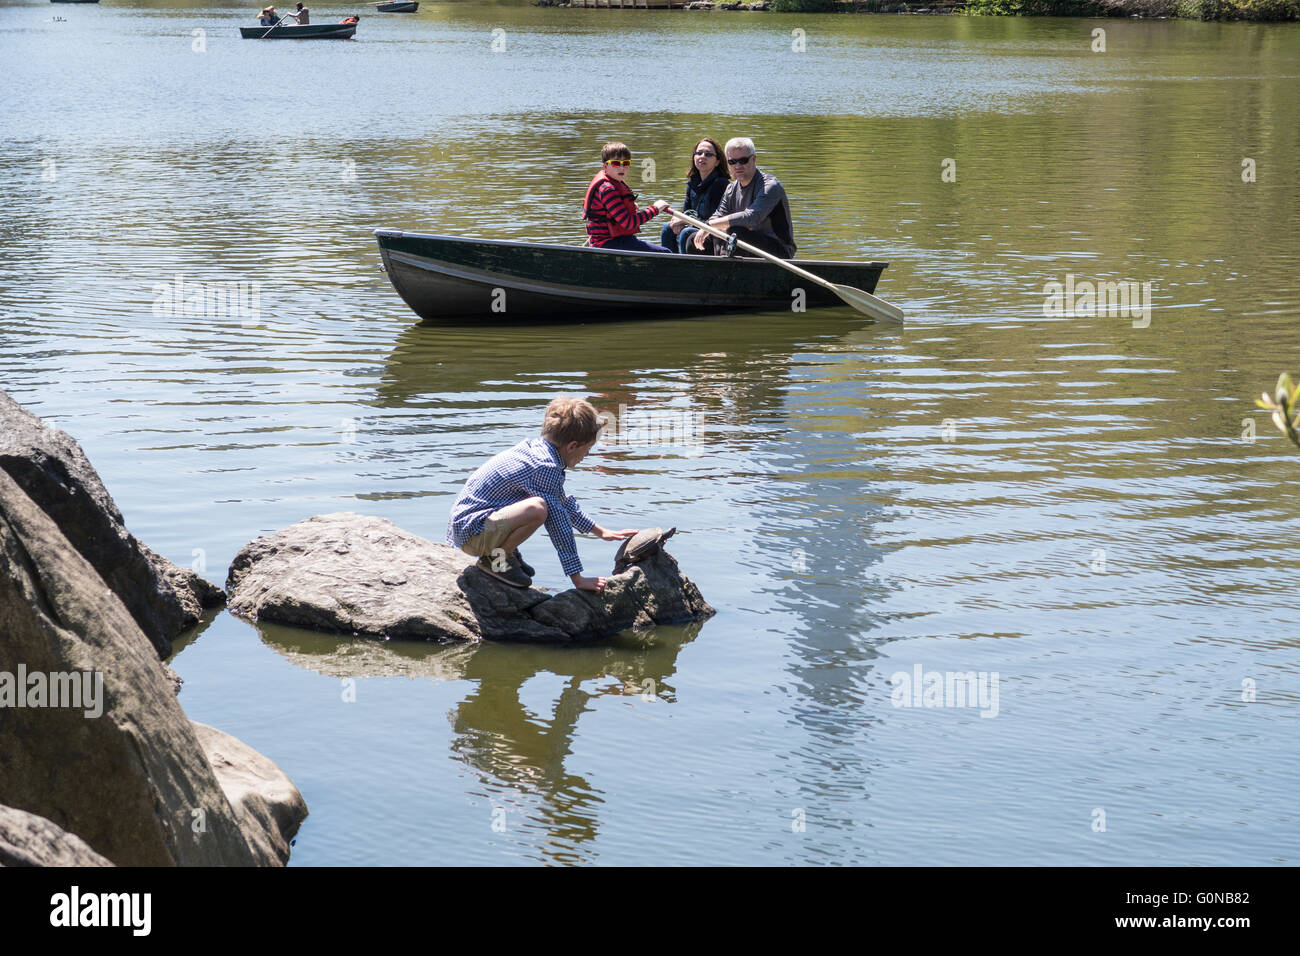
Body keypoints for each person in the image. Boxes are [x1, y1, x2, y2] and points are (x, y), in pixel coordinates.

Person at [446, 397, 637, 591]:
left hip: (469, 527)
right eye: (587, 449)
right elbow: (558, 523)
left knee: (541, 505)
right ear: (572, 446)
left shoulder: (540, 451)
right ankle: (496, 560)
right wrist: (578, 579)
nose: (587, 456)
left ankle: (506, 554)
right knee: (537, 509)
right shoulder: (545, 467)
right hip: (472, 533)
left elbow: (561, 502)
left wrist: (600, 531)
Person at [692, 137, 796, 259]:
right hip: (742, 244)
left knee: (736, 233)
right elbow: (719, 215)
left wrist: (710, 225)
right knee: (693, 240)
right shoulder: (731, 189)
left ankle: (728, 272)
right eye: (732, 162)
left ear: (753, 159)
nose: (737, 166)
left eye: (743, 160)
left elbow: (751, 218)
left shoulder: (770, 186)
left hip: (779, 251)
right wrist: (706, 227)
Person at [583, 142, 672, 254]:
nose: (622, 168)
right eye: (616, 163)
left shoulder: (614, 182)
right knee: (666, 253)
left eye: (625, 163)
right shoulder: (607, 189)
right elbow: (628, 223)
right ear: (605, 166)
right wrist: (656, 209)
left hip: (613, 241)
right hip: (608, 244)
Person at [660, 137, 730, 255]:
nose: (702, 156)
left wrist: (685, 221)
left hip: (714, 235)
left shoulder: (721, 185)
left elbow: (715, 220)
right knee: (667, 228)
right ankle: (669, 266)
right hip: (695, 227)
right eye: (699, 153)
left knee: (686, 232)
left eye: (708, 154)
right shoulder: (692, 183)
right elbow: (687, 212)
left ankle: (686, 268)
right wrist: (678, 220)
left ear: (717, 161)